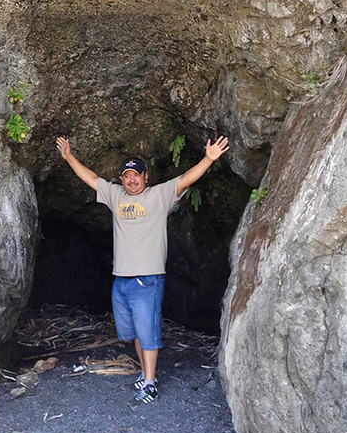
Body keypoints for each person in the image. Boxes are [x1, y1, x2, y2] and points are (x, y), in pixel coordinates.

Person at [55, 135, 229, 403]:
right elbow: (90, 178)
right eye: (126, 176)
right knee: (134, 331)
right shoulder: (115, 196)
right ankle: (145, 374)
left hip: (147, 280)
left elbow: (186, 179)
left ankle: (149, 382)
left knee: (148, 331)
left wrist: (208, 159)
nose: (131, 180)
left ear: (146, 177)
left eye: (136, 175)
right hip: (120, 281)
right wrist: (68, 157)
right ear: (122, 180)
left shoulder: (159, 196)